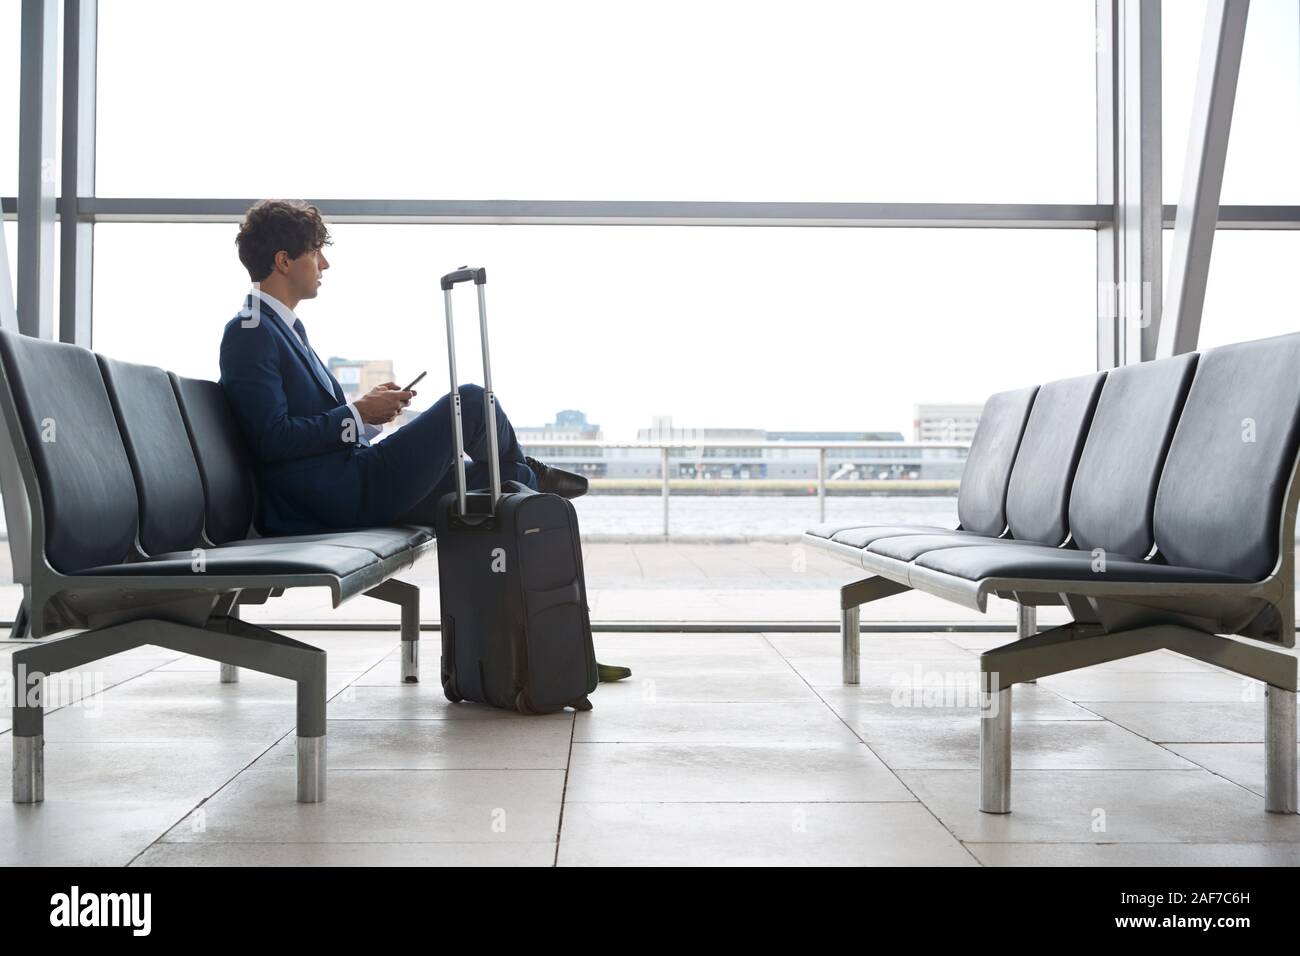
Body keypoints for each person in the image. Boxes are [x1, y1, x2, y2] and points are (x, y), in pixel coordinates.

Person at [220, 199, 628, 683]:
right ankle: (528, 477)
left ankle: (562, 651)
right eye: (316, 253)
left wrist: (369, 416)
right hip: (334, 496)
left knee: (494, 490)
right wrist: (356, 414)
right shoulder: (249, 332)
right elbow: (270, 439)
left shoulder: (286, 329)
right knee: (471, 402)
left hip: (348, 479)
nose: (324, 264)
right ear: (284, 261)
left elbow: (308, 426)